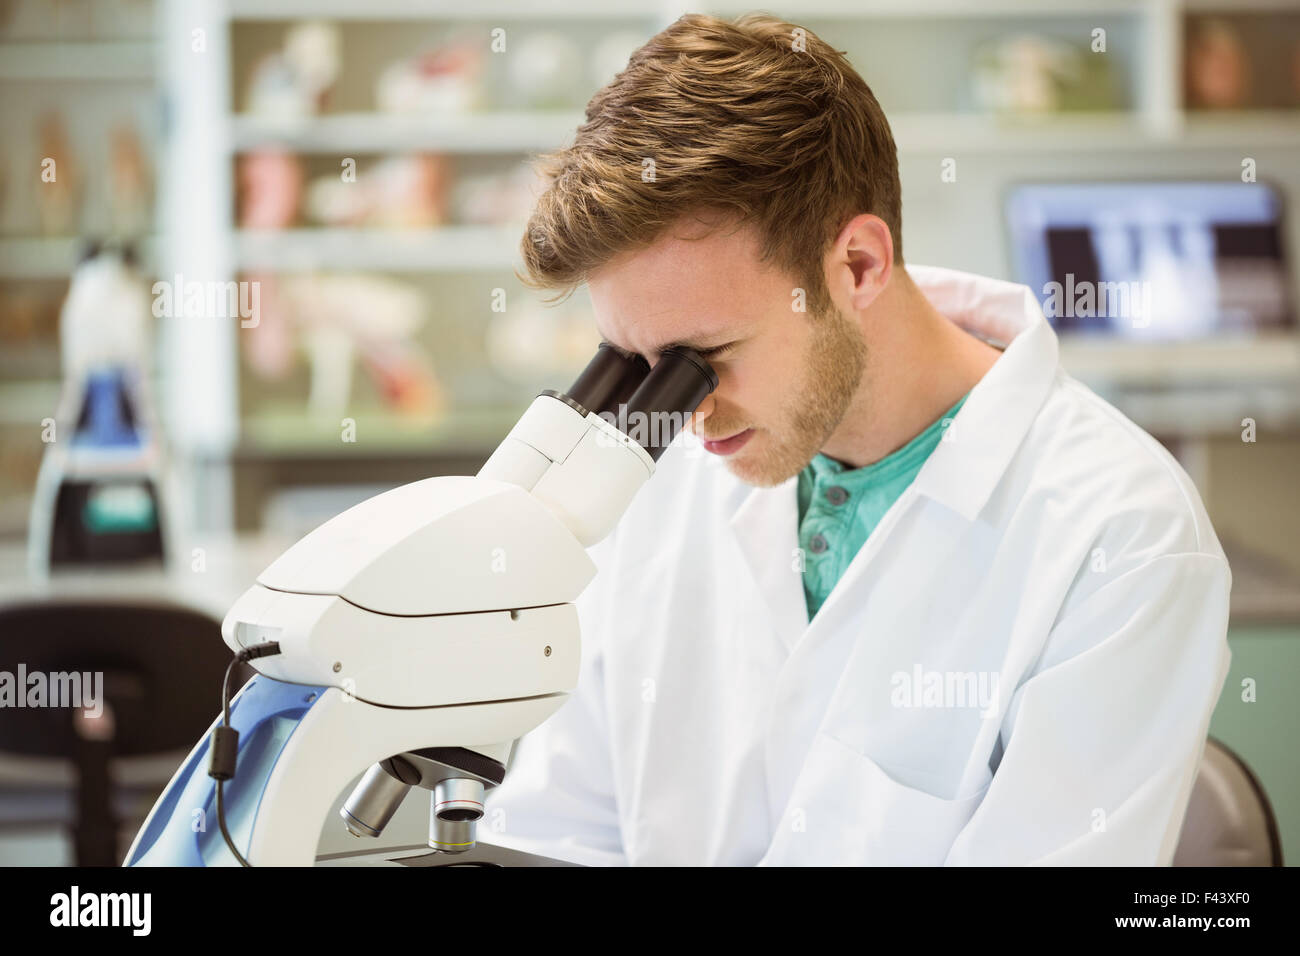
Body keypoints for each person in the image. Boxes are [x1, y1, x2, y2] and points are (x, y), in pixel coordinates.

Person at [483, 13, 1232, 865]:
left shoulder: (1122, 534)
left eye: (704, 358)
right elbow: (559, 832)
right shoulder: (658, 474)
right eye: (639, 363)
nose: (677, 413)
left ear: (858, 267)